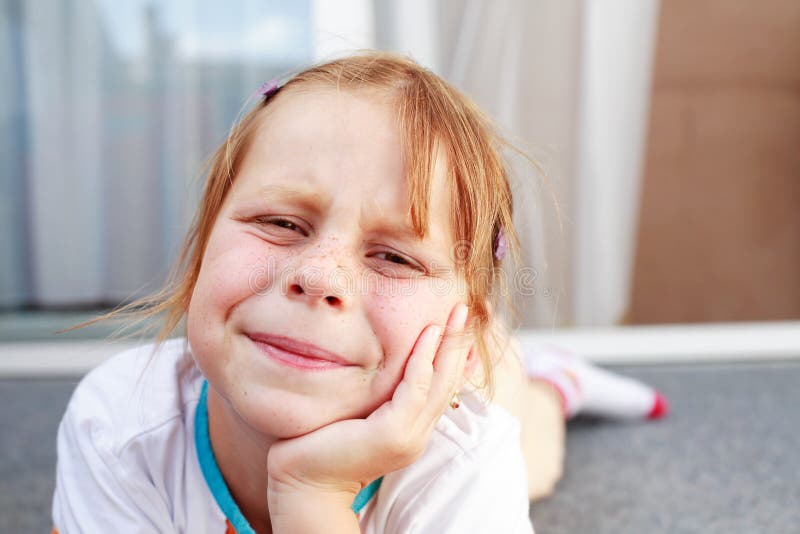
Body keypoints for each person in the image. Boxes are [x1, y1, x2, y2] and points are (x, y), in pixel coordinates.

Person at [52, 51, 536, 533]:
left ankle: (546, 381)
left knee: (537, 443)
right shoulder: (119, 424)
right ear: (203, 248)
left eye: (394, 257)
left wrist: (314, 494)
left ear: (462, 342)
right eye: (280, 223)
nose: (321, 276)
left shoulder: (466, 467)